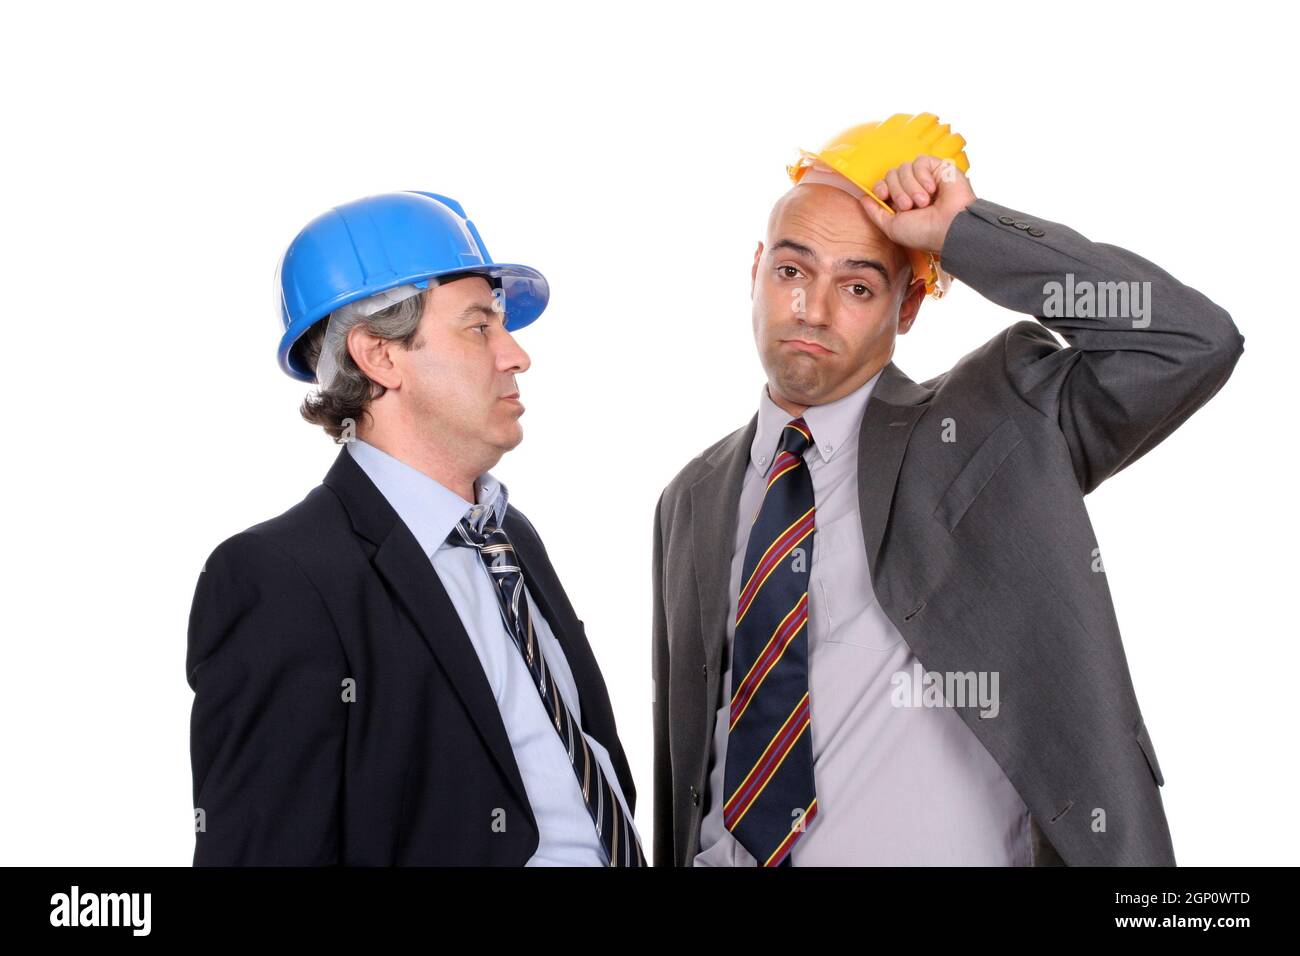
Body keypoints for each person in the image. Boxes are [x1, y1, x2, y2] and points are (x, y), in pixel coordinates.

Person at [650, 113, 1244, 866]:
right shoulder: (689, 498)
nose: (813, 309)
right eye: (792, 272)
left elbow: (1192, 341)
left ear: (906, 306)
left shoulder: (996, 420)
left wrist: (966, 234)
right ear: (757, 269)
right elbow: (688, 752)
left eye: (859, 285)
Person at [187, 191, 644, 866]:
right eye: (479, 326)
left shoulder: (510, 539)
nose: (515, 355)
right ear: (381, 357)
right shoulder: (281, 578)